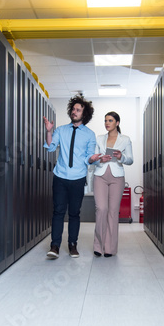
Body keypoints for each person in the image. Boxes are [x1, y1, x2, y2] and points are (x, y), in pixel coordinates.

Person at [43, 95, 100, 259]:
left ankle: (73, 245)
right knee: (58, 211)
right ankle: (54, 246)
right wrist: (49, 131)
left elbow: (88, 157)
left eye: (78, 110)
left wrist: (93, 158)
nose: (74, 112)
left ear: (84, 114)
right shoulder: (61, 130)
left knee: (74, 213)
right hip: (60, 176)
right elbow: (50, 147)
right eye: (73, 109)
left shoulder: (89, 134)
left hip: (78, 177)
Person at [91, 112, 134, 257]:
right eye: (105, 121)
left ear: (117, 123)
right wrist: (99, 159)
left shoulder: (125, 139)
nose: (107, 123)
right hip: (100, 175)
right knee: (101, 209)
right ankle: (98, 246)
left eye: (110, 120)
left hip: (117, 177)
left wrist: (121, 157)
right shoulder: (99, 138)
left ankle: (109, 248)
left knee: (113, 211)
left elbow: (130, 160)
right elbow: (94, 158)